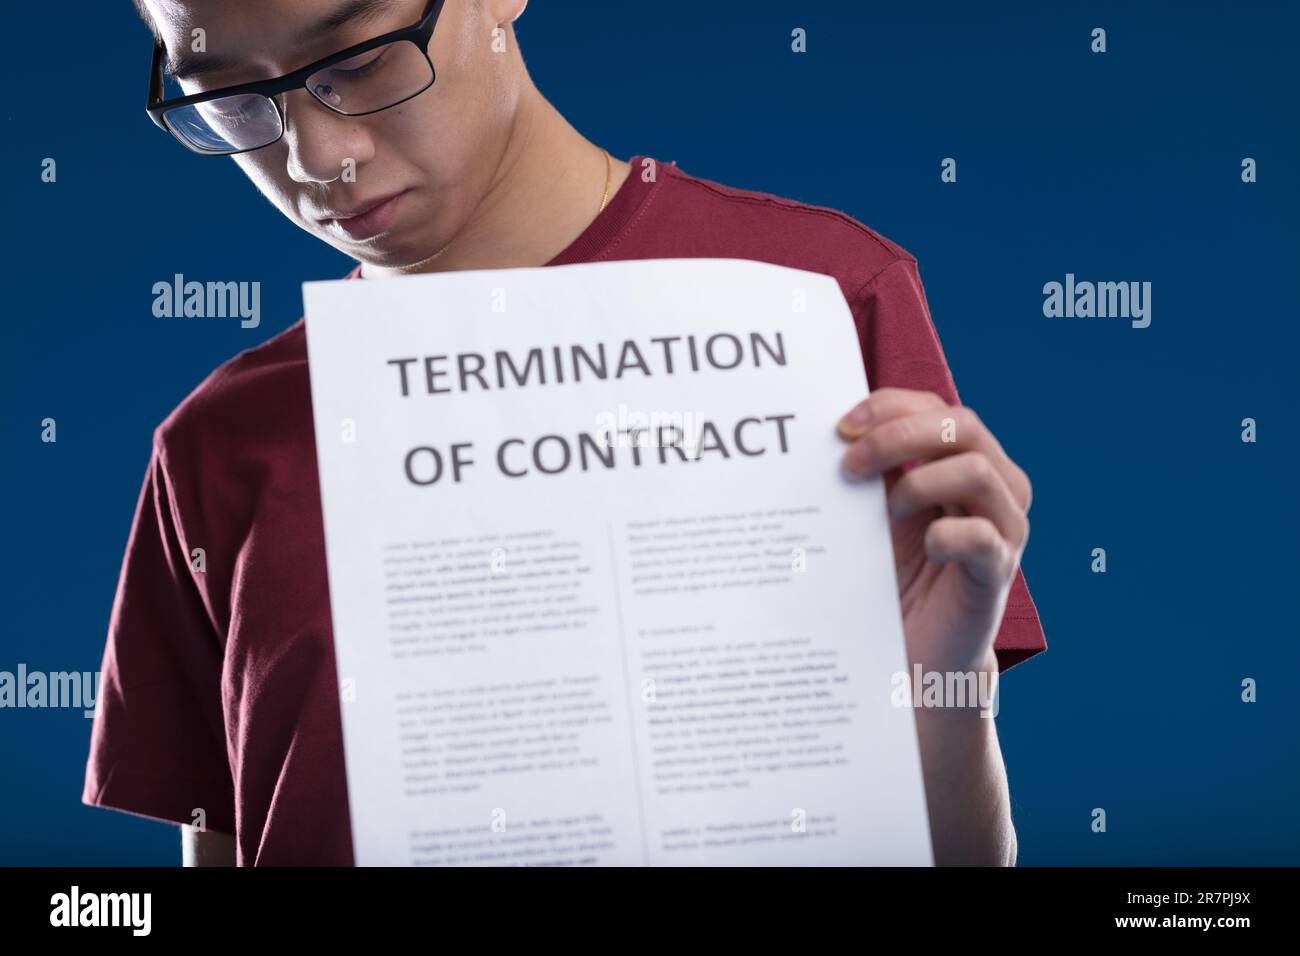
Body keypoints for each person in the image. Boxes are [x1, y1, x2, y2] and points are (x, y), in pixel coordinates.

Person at [84, 0, 1046, 866]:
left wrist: (945, 687)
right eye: (235, 101)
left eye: (360, 57)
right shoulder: (216, 443)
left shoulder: (822, 302)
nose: (313, 158)